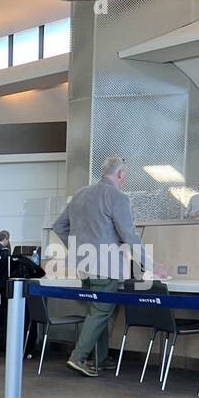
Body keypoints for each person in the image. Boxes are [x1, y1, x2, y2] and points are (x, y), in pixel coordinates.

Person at [52, 156, 159, 378]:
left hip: (84, 265)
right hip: (106, 266)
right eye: (125, 176)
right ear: (120, 175)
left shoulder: (80, 194)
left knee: (101, 310)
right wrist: (151, 265)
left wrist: (77, 248)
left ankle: (100, 359)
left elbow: (59, 226)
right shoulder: (117, 197)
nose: (125, 180)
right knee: (101, 312)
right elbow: (129, 234)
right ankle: (78, 357)